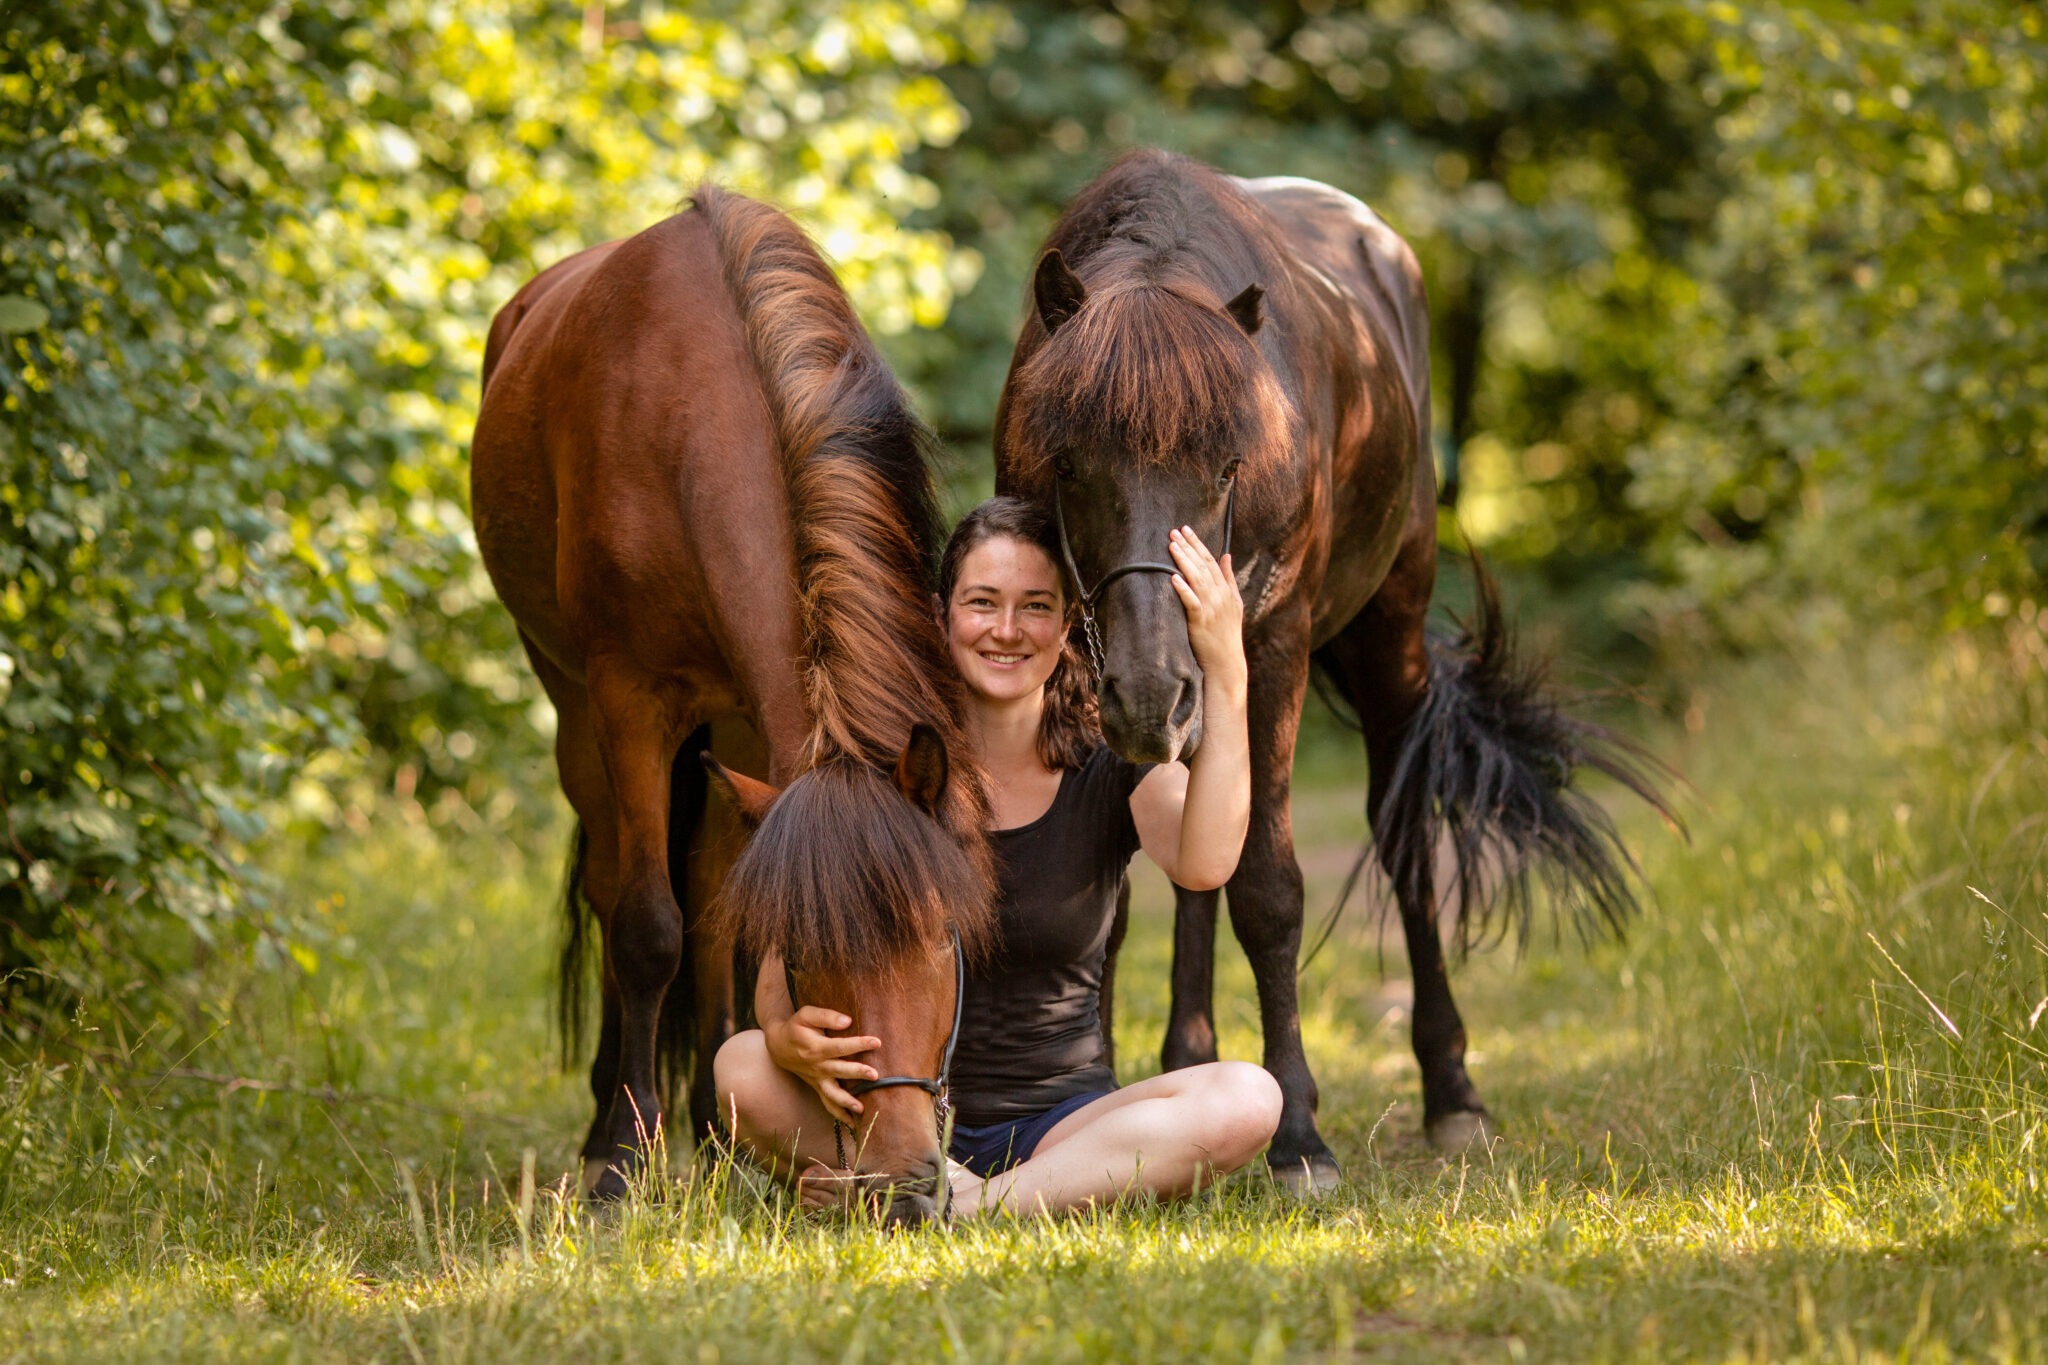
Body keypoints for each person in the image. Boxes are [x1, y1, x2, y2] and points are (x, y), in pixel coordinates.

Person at [713, 497, 1281, 1216]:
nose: (1007, 630)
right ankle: (938, 1182)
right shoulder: (878, 777)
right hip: (891, 1111)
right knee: (740, 1064)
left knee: (1246, 1096)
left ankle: (952, 1204)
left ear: (1068, 623)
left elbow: (1208, 860)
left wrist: (1227, 672)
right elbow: (781, 969)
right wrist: (786, 1038)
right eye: (983, 602)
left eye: (1035, 605)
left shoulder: (1109, 769)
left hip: (1062, 1127)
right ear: (942, 612)